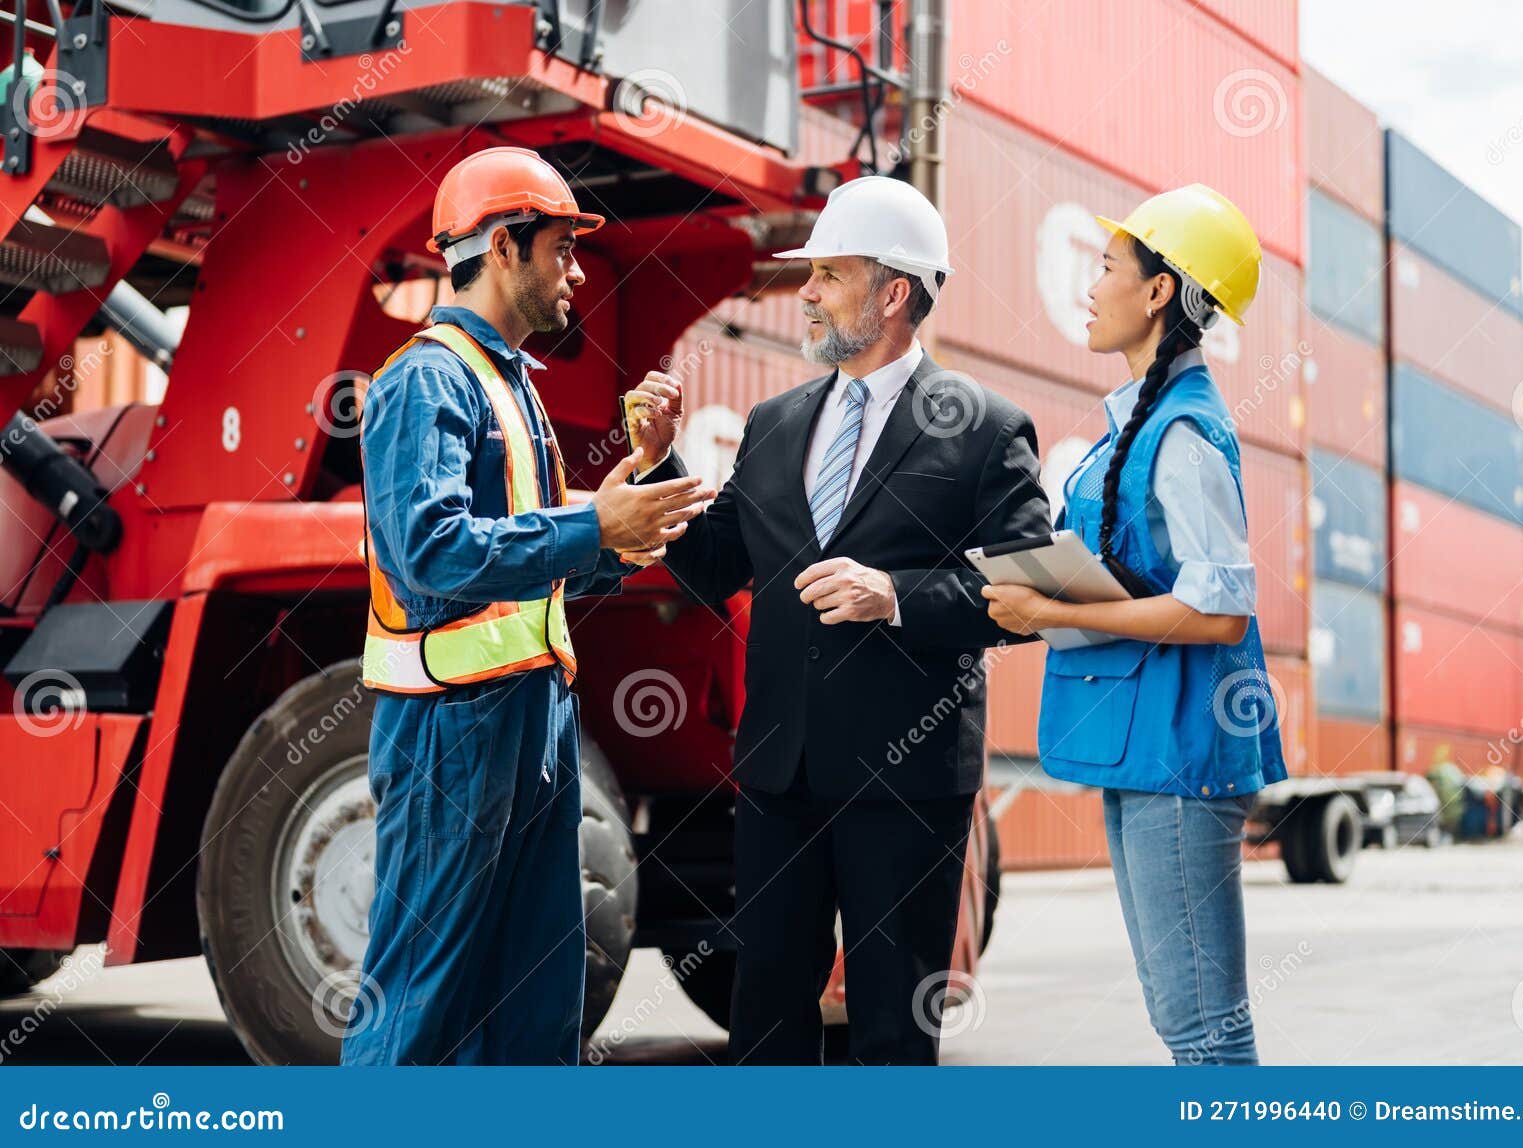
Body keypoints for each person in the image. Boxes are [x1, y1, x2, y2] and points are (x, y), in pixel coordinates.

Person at [624, 176, 1052, 1064]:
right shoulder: (774, 424)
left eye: (828, 273)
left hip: (908, 786)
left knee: (892, 1033)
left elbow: (1027, 594)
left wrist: (893, 595)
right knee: (765, 1026)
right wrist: (653, 463)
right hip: (780, 778)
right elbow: (714, 567)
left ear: (894, 293)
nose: (807, 292)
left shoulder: (983, 429)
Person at [342, 147, 713, 1065]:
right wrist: (593, 529)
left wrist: (632, 504)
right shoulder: (426, 379)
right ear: (505, 246)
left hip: (532, 722)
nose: (578, 273)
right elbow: (429, 555)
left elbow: (544, 568)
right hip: (451, 731)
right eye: (563, 250)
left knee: (533, 1001)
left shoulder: (509, 384)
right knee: (422, 1003)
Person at [981, 184, 1287, 1065]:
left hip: (1183, 752)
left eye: (1108, 266)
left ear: (1158, 293)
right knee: (1181, 1016)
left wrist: (1049, 607)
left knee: (1204, 1026)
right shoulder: (1138, 426)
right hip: (1150, 745)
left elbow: (1221, 611)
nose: (1091, 286)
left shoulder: (1184, 434)